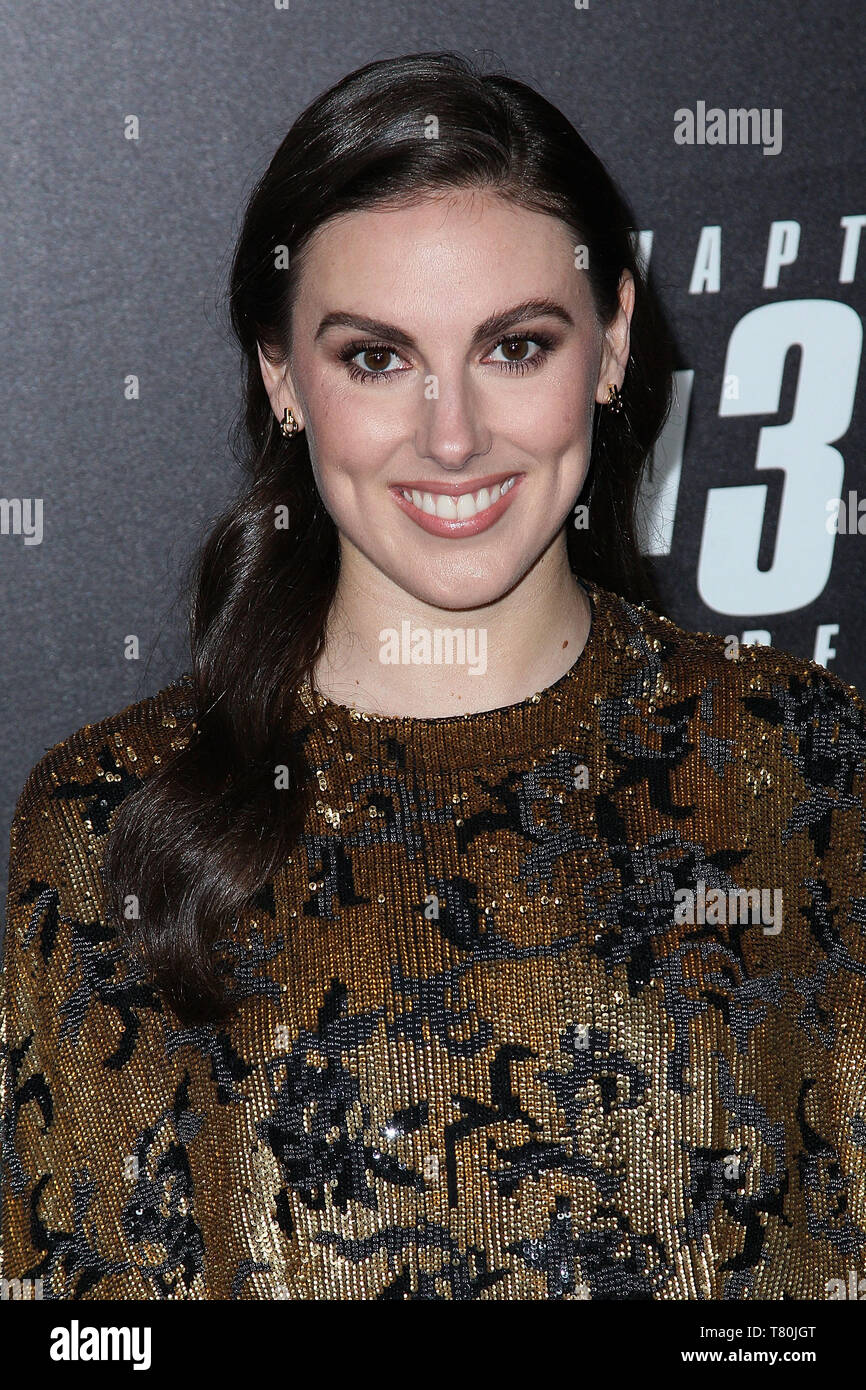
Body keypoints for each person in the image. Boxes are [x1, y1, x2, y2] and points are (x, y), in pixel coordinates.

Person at [2, 50, 865, 1303]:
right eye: (374, 358)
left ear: (612, 346)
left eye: (515, 346)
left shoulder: (811, 765)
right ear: (281, 376)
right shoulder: (113, 815)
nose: (450, 434)